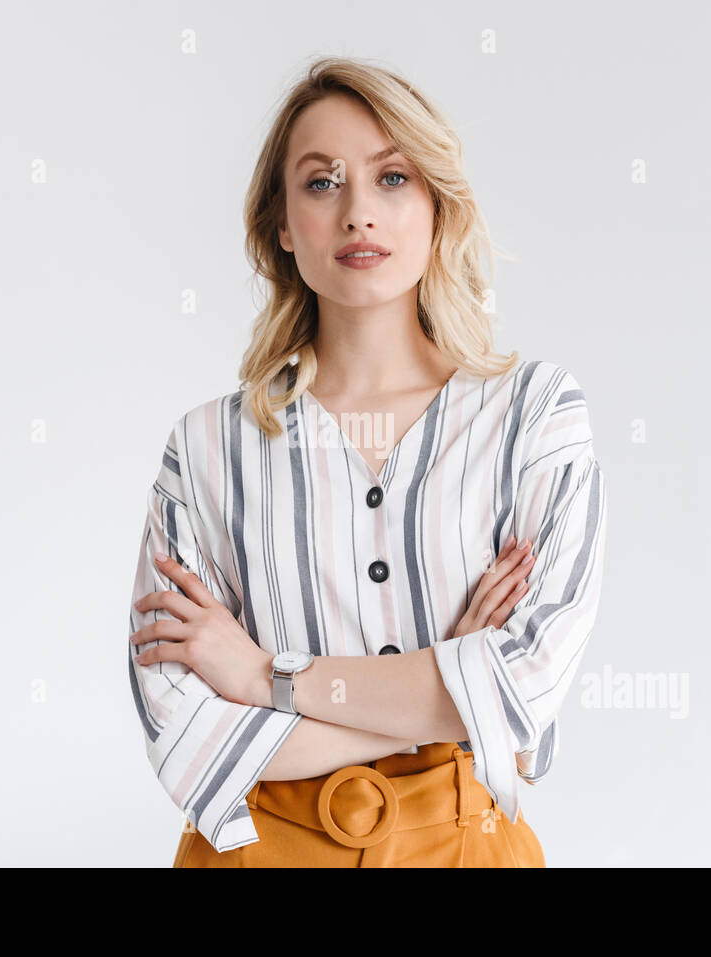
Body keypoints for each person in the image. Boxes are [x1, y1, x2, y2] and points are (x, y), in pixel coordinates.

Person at [127, 56, 608, 867]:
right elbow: (185, 731)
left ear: (436, 205)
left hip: (470, 848)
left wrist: (263, 677)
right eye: (322, 183)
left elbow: (523, 690)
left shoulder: (534, 418)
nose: (359, 213)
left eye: (392, 177)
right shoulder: (206, 448)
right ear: (281, 223)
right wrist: (448, 692)